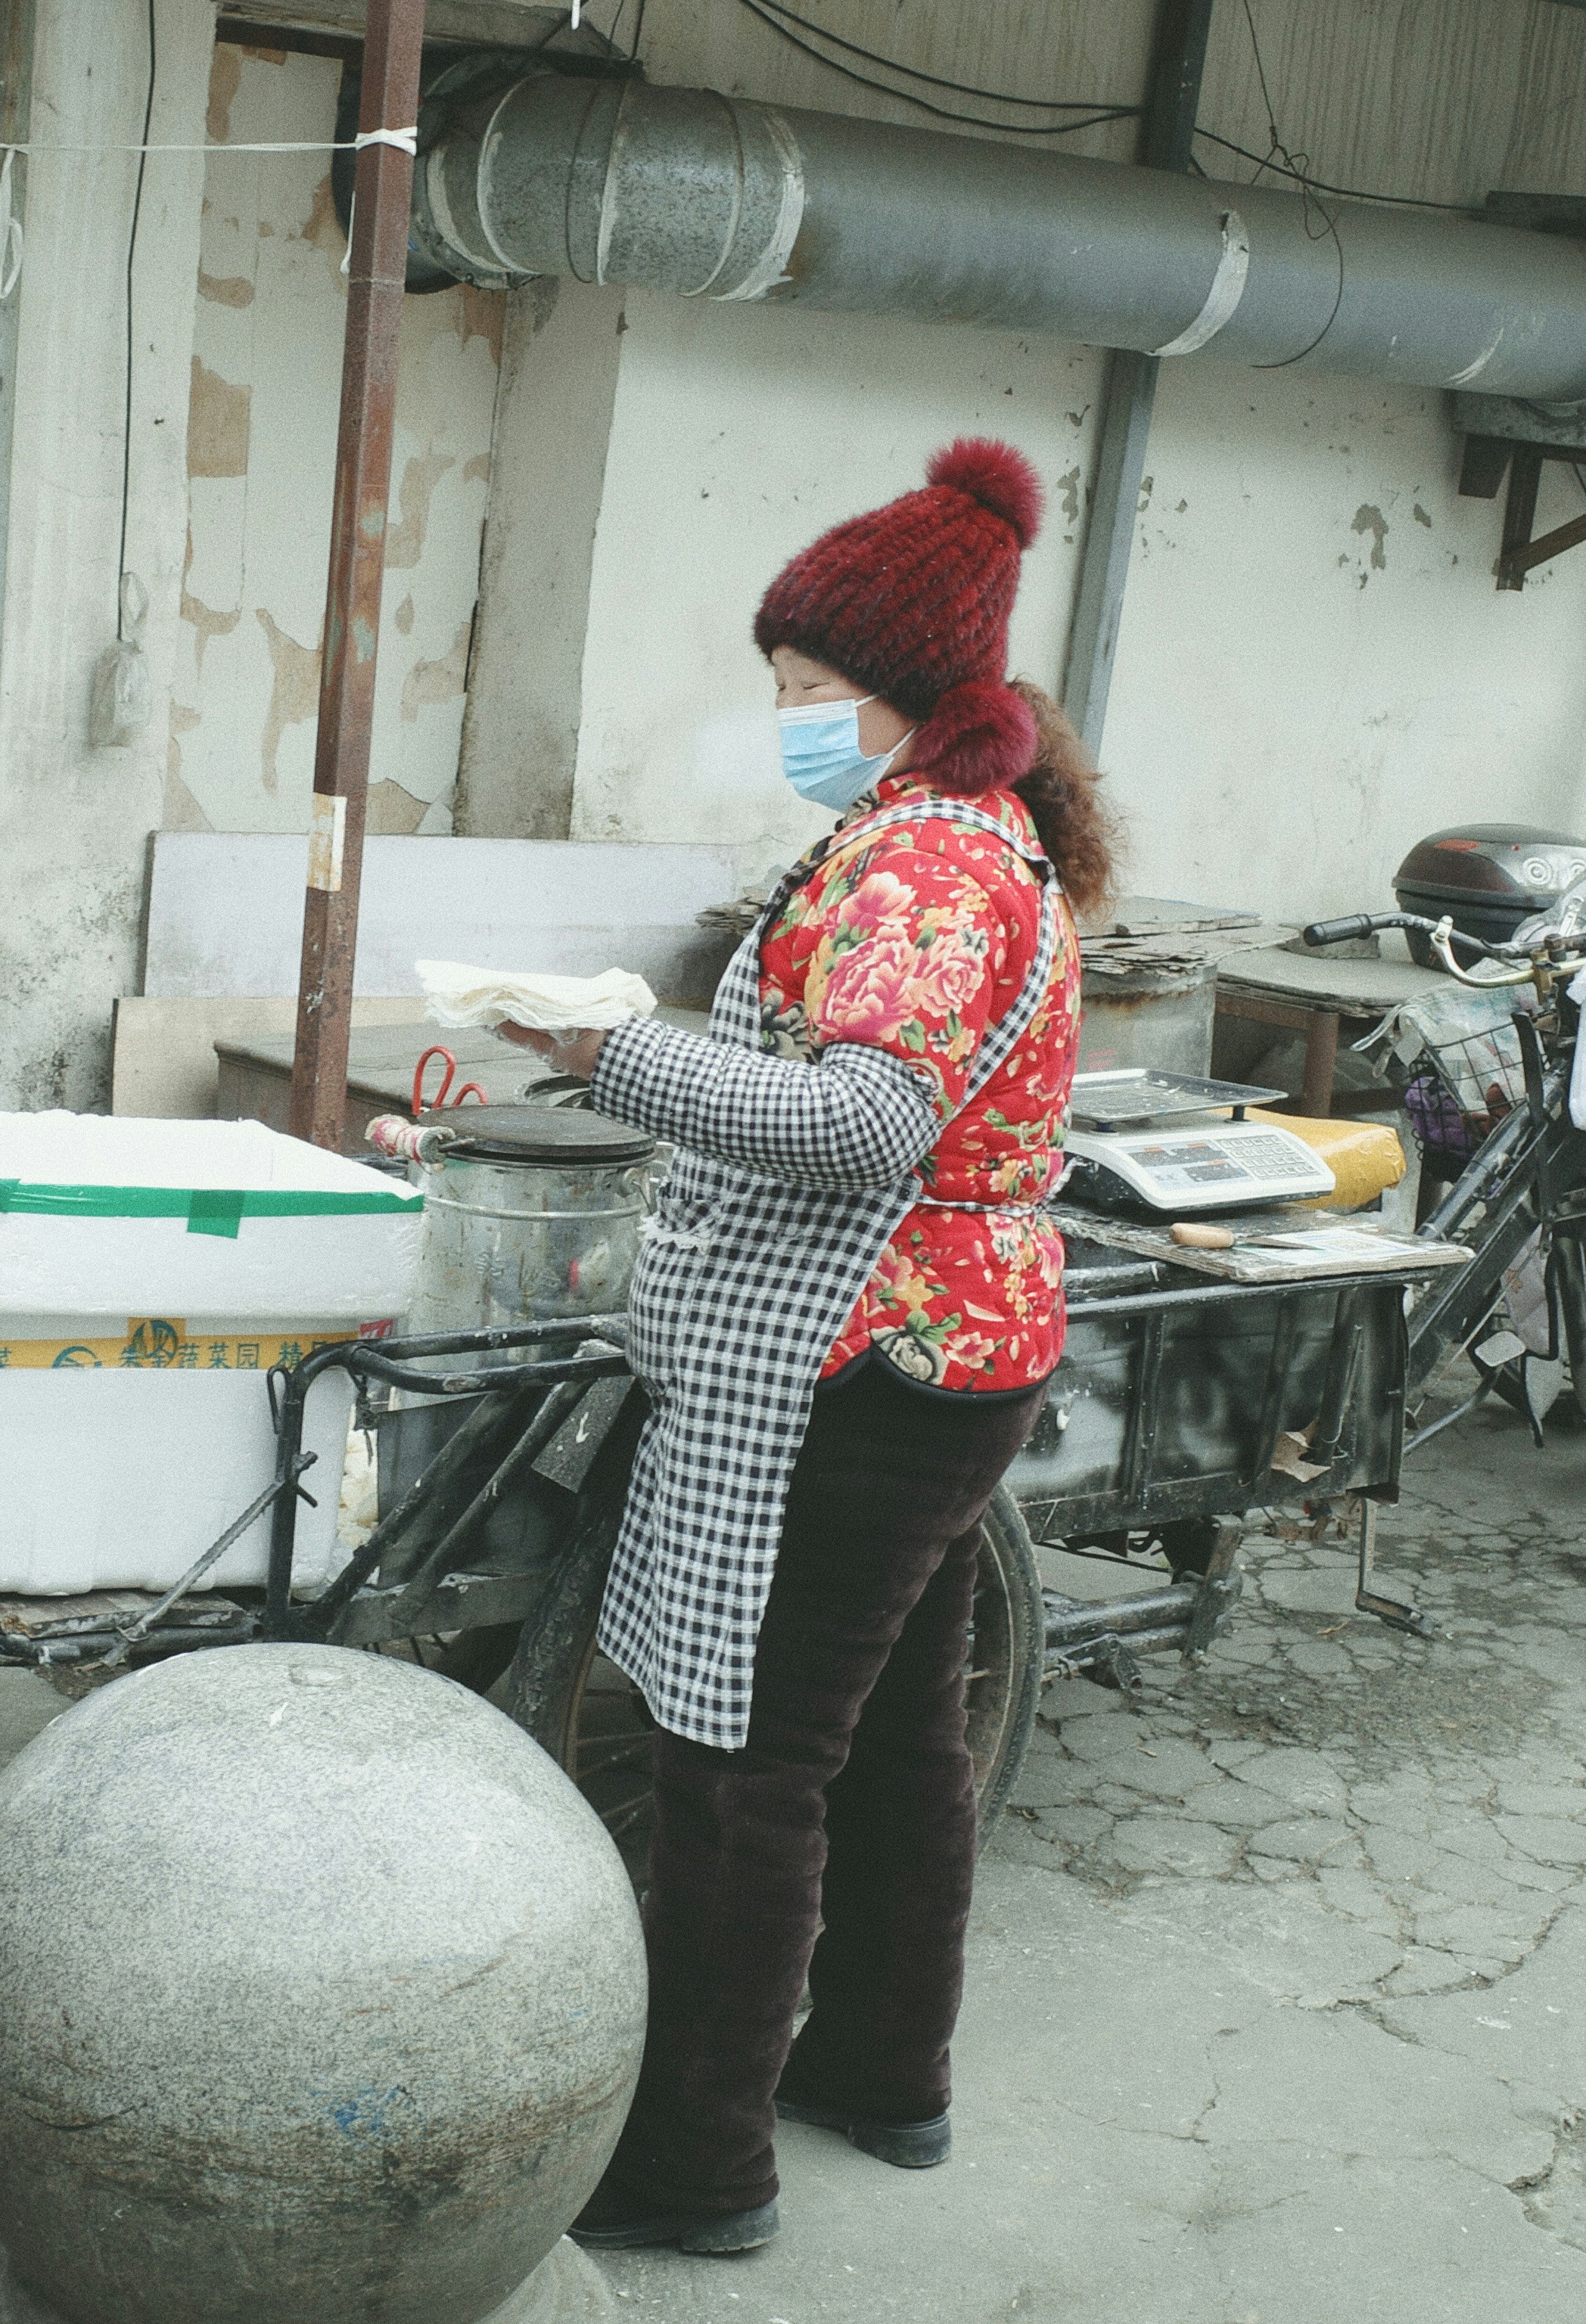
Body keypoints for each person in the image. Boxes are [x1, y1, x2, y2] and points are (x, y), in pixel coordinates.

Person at [498, 440, 1113, 2259]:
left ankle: (695, 2166)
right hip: (956, 1347)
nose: (786, 716)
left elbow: (853, 1124)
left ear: (911, 692)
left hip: (869, 1351)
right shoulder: (974, 837)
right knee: (900, 1734)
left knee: (742, 1759)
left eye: (809, 687)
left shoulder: (928, 862)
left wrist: (603, 1050)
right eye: (779, 685)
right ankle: (881, 2072)